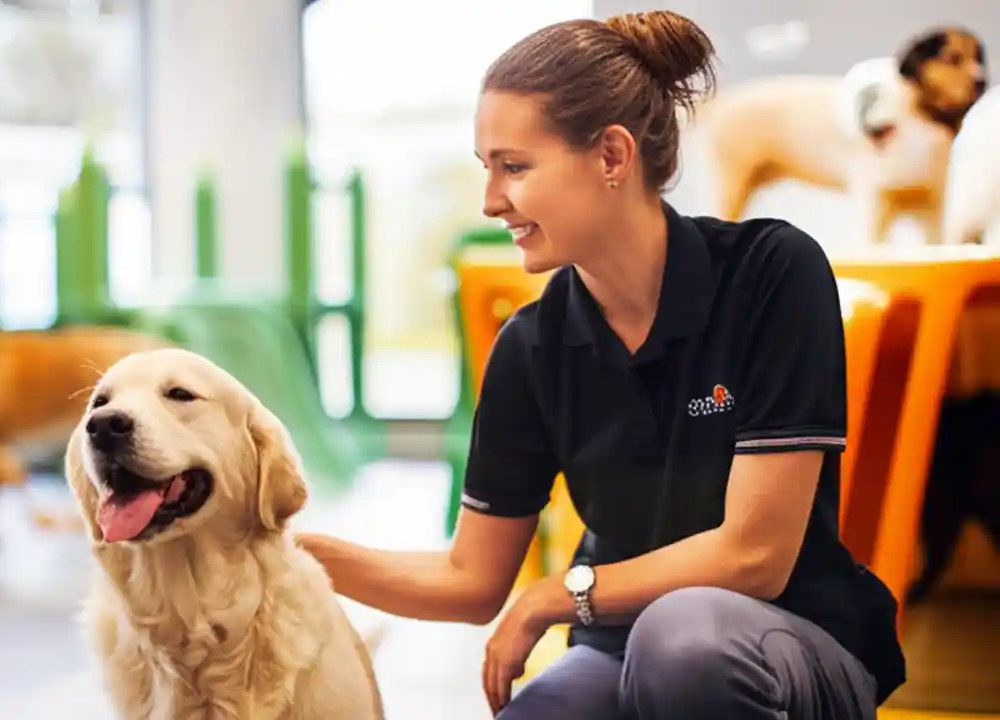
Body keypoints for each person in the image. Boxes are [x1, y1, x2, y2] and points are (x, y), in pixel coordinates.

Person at [297, 9, 907, 720]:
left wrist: (559, 594)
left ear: (612, 157)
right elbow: (471, 581)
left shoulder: (772, 271)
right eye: (487, 170)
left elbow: (755, 556)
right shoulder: (531, 347)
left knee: (680, 643)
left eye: (514, 167)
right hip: (620, 645)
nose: (493, 201)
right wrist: (295, 550)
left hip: (792, 640)